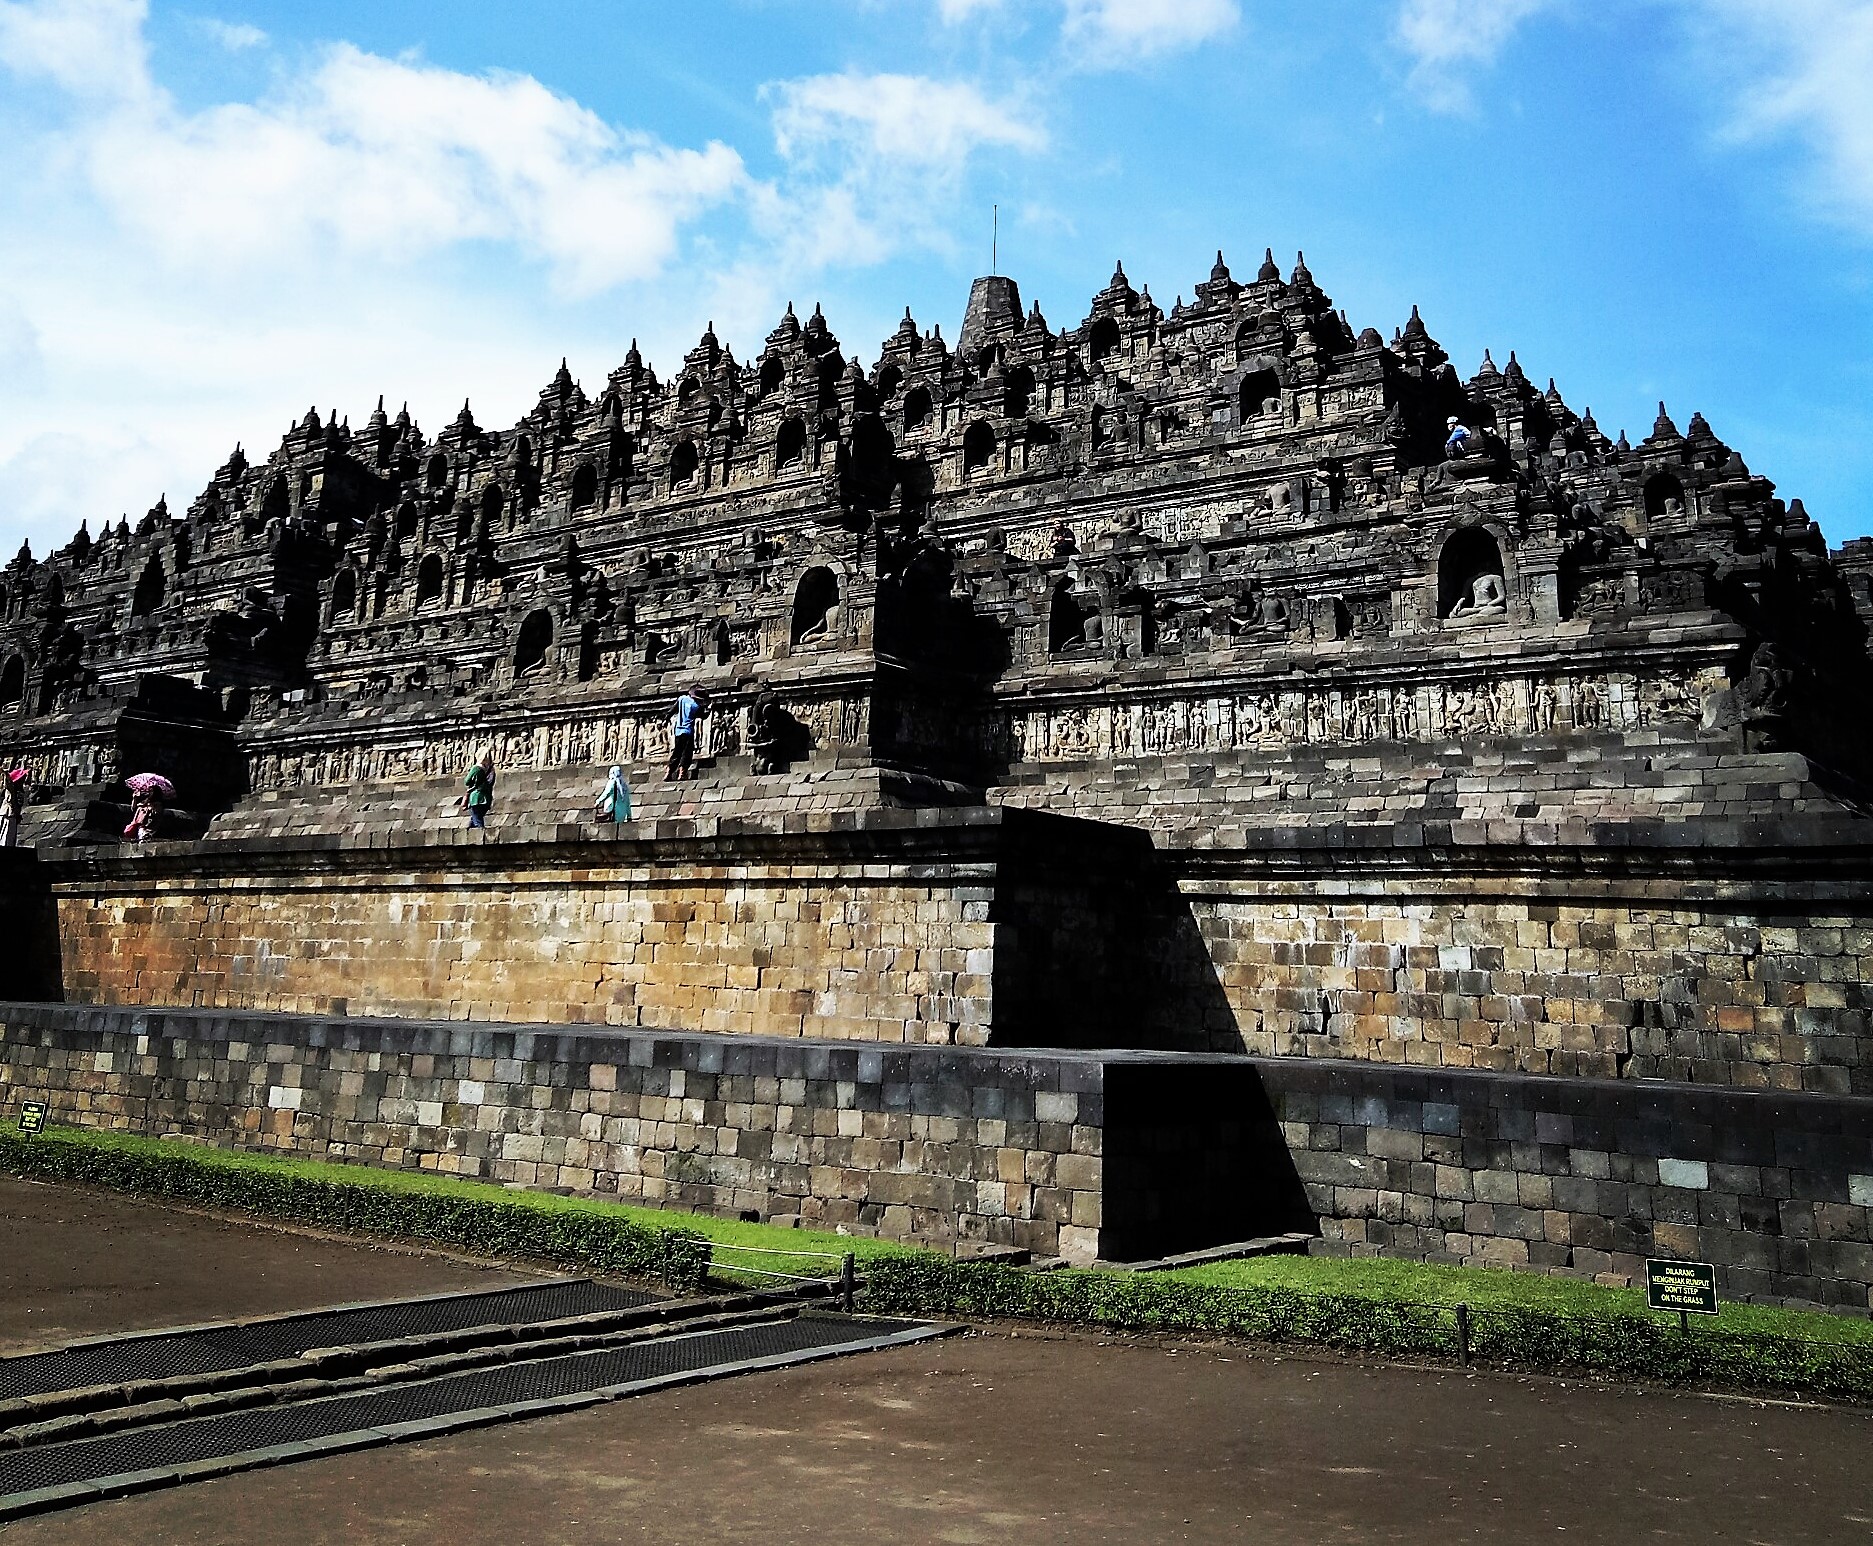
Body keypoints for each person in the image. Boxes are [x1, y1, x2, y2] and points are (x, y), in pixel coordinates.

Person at [666, 687, 708, 782]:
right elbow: (703, 716)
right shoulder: (696, 706)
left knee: (676, 752)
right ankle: (682, 773)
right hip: (688, 731)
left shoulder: (681, 699)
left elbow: (672, 710)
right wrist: (709, 709)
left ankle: (668, 771)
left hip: (678, 731)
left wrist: (666, 718)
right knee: (686, 753)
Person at [462, 750, 495, 829]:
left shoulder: (476, 768)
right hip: (487, 798)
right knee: (474, 820)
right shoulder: (491, 769)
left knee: (477, 821)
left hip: (476, 798)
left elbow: (467, 781)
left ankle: (483, 837)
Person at [0, 768, 25, 848]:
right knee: (6, 833)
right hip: (8, 813)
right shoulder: (11, 789)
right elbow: (8, 783)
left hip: (12, 814)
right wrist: (5, 774)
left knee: (10, 835)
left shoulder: (19, 791)